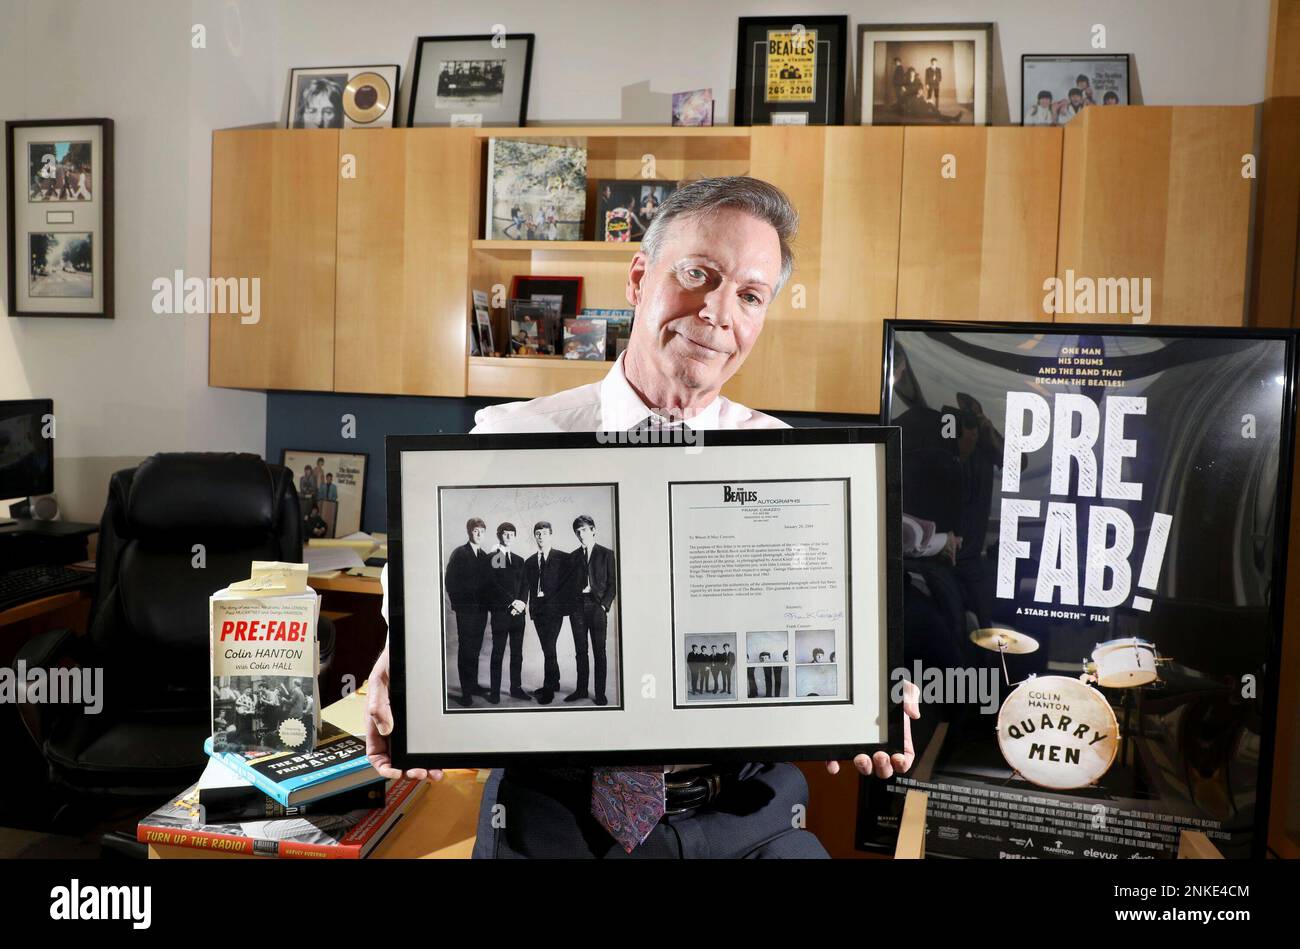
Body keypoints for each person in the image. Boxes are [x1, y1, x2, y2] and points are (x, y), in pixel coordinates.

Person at [369, 176, 919, 858]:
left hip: (748, 811)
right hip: (554, 808)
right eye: (698, 274)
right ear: (638, 277)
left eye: (749, 295)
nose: (718, 311)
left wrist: (870, 681)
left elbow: (834, 616)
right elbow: (418, 580)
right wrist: (403, 662)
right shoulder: (516, 438)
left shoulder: (792, 465)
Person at [566, 515, 616, 705]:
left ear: (593, 530)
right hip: (577, 608)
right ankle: (581, 690)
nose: (581, 534)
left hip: (597, 607)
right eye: (577, 531)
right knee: (581, 651)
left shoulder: (606, 554)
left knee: (599, 652)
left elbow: (613, 584)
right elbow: (568, 585)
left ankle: (600, 693)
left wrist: (604, 605)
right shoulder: (573, 556)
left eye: (584, 530)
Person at [523, 521, 575, 705]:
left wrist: (560, 604)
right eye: (537, 533)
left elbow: (569, 585)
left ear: (551, 535)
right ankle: (555, 681)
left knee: (549, 647)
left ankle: (549, 688)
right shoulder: (529, 562)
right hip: (538, 612)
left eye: (544, 533)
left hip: (554, 611)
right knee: (548, 648)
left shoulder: (563, 558)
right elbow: (526, 587)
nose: (541, 536)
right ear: (534, 536)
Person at [444, 517, 491, 707]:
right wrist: (460, 605)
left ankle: (473, 685)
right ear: (469, 532)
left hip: (481, 611)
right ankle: (465, 693)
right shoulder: (460, 553)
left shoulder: (486, 555)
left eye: (482, 531)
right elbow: (450, 582)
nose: (478, 534)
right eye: (475, 531)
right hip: (466, 611)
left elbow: (490, 584)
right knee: (466, 650)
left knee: (476, 649)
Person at [486, 522, 530, 703]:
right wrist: (511, 603)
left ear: (516, 536)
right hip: (501, 614)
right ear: (499, 536)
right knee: (498, 652)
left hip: (518, 614)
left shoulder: (520, 560)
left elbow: (525, 584)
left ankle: (516, 688)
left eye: (512, 533)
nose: (509, 537)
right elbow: (493, 585)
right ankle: (495, 692)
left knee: (517, 653)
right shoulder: (494, 557)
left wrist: (521, 603)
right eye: (505, 534)